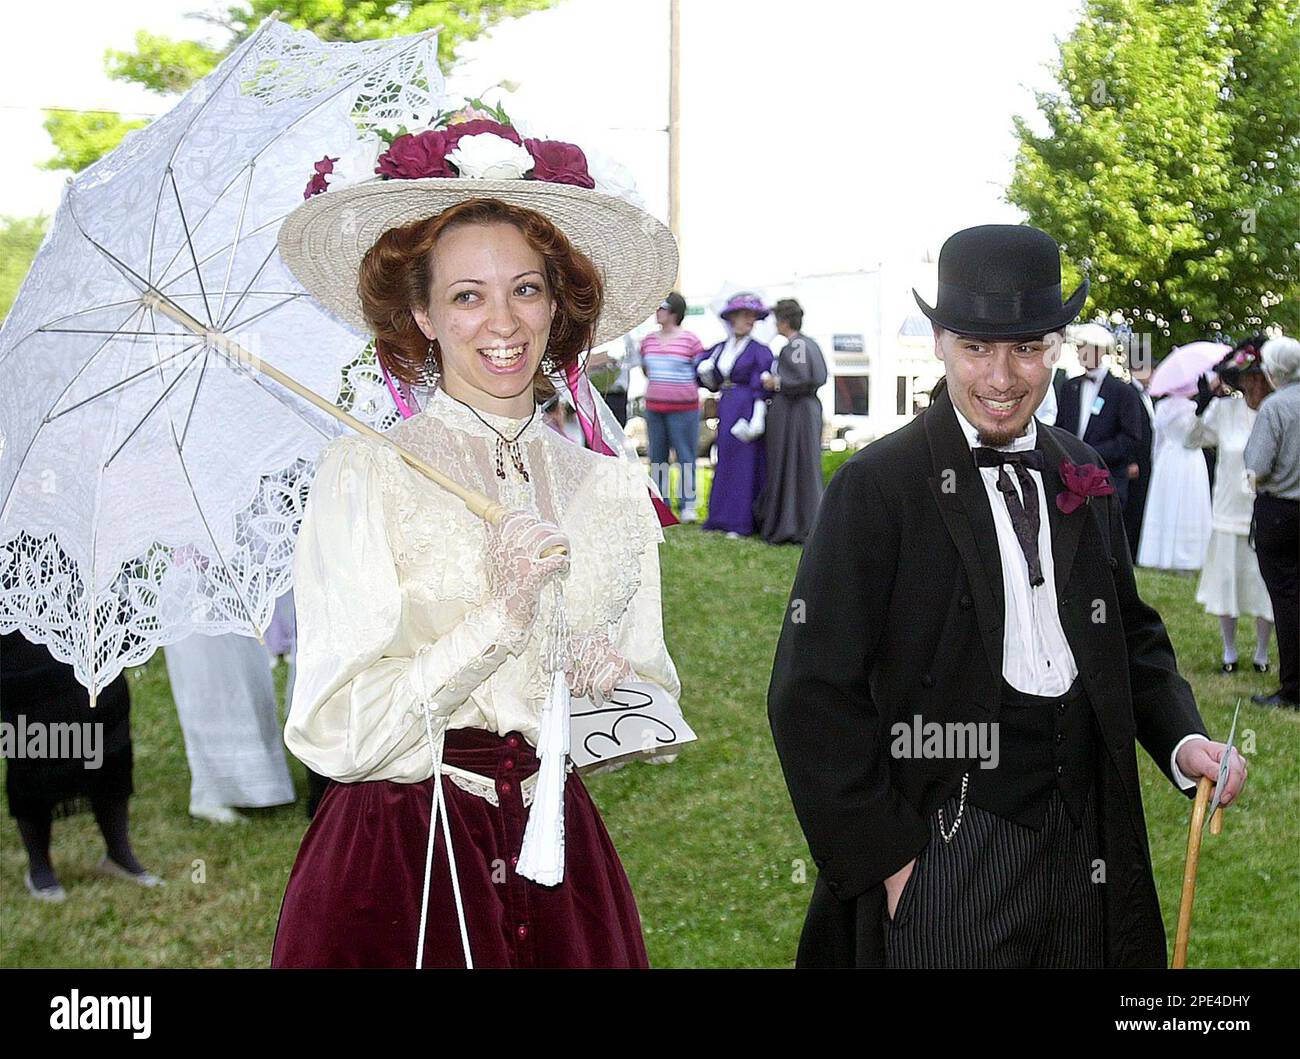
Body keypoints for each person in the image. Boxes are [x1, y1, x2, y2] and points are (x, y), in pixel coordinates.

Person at [767, 224, 1245, 969]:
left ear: (1055, 343)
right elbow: (810, 693)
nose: (1001, 376)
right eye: (976, 348)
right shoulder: (878, 487)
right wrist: (892, 861)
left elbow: (1129, 632)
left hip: (1086, 837)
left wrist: (1184, 740)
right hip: (950, 846)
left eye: (1025, 347)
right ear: (938, 342)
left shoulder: (1080, 468)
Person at [270, 114, 682, 967]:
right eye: (467, 294)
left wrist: (604, 688)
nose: (504, 320)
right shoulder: (368, 474)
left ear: (557, 302)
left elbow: (648, 700)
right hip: (400, 863)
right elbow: (333, 728)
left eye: (526, 288)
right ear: (420, 313)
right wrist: (497, 620)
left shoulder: (609, 487)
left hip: (557, 859)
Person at [2, 630, 163, 900]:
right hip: (19, 630)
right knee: (33, 740)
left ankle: (118, 853)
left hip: (85, 617)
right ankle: (39, 866)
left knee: (108, 730)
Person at [1186, 338, 1274, 674]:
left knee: (1263, 585)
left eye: (1261, 378)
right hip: (1227, 511)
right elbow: (1191, 441)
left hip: (1264, 512)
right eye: (1249, 378)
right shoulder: (1225, 412)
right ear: (1239, 380)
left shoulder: (1277, 412)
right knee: (1227, 584)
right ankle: (1229, 651)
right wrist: (1201, 407)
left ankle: (1262, 653)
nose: (1255, 384)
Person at [163, 631, 296, 823]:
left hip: (233, 614)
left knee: (245, 670)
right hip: (195, 619)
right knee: (209, 677)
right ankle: (211, 790)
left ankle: (256, 779)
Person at [1244, 335, 1300, 708]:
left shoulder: (1275, 407)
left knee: (1287, 601)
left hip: (1281, 512)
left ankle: (1293, 688)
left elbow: (1258, 466)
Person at [697, 292, 775, 537]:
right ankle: (719, 517)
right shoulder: (721, 348)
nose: (749, 320)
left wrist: (757, 417)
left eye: (752, 316)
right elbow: (710, 380)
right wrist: (706, 372)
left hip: (746, 407)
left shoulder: (760, 350)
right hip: (726, 405)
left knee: (745, 464)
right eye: (744, 315)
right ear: (731, 318)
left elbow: (760, 386)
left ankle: (741, 522)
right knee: (725, 461)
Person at [755, 298, 827, 544]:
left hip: (793, 414)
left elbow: (800, 379)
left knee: (789, 465)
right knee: (805, 466)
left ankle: (790, 524)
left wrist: (776, 382)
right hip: (807, 412)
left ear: (784, 321)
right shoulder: (811, 344)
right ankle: (808, 522)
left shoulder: (793, 347)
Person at [1056, 324, 1145, 512]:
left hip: (1108, 480)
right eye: (1078, 348)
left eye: (1084, 347)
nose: (1080, 353)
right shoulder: (1070, 387)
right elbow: (1061, 426)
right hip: (1071, 482)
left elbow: (1131, 437)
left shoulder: (1123, 392)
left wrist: (1091, 453)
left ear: (1099, 351)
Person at [639, 292, 704, 521]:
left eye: (662, 308)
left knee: (685, 456)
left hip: (684, 409)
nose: (657, 312)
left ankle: (688, 506)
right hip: (655, 408)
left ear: (675, 312)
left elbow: (701, 372)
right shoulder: (647, 341)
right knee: (657, 457)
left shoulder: (691, 341)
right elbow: (646, 369)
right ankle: (660, 505)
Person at [1137, 382, 1212, 571]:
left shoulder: (1161, 407)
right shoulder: (1193, 409)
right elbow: (1193, 440)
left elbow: (1158, 439)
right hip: (1189, 460)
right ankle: (1188, 556)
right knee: (1189, 504)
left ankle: (1159, 554)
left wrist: (1156, 463)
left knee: (1165, 504)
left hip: (1167, 458)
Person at [1126, 361, 1158, 553]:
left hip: (1149, 460)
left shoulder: (1151, 397)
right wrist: (1130, 460)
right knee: (1133, 505)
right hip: (1136, 461)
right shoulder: (1129, 393)